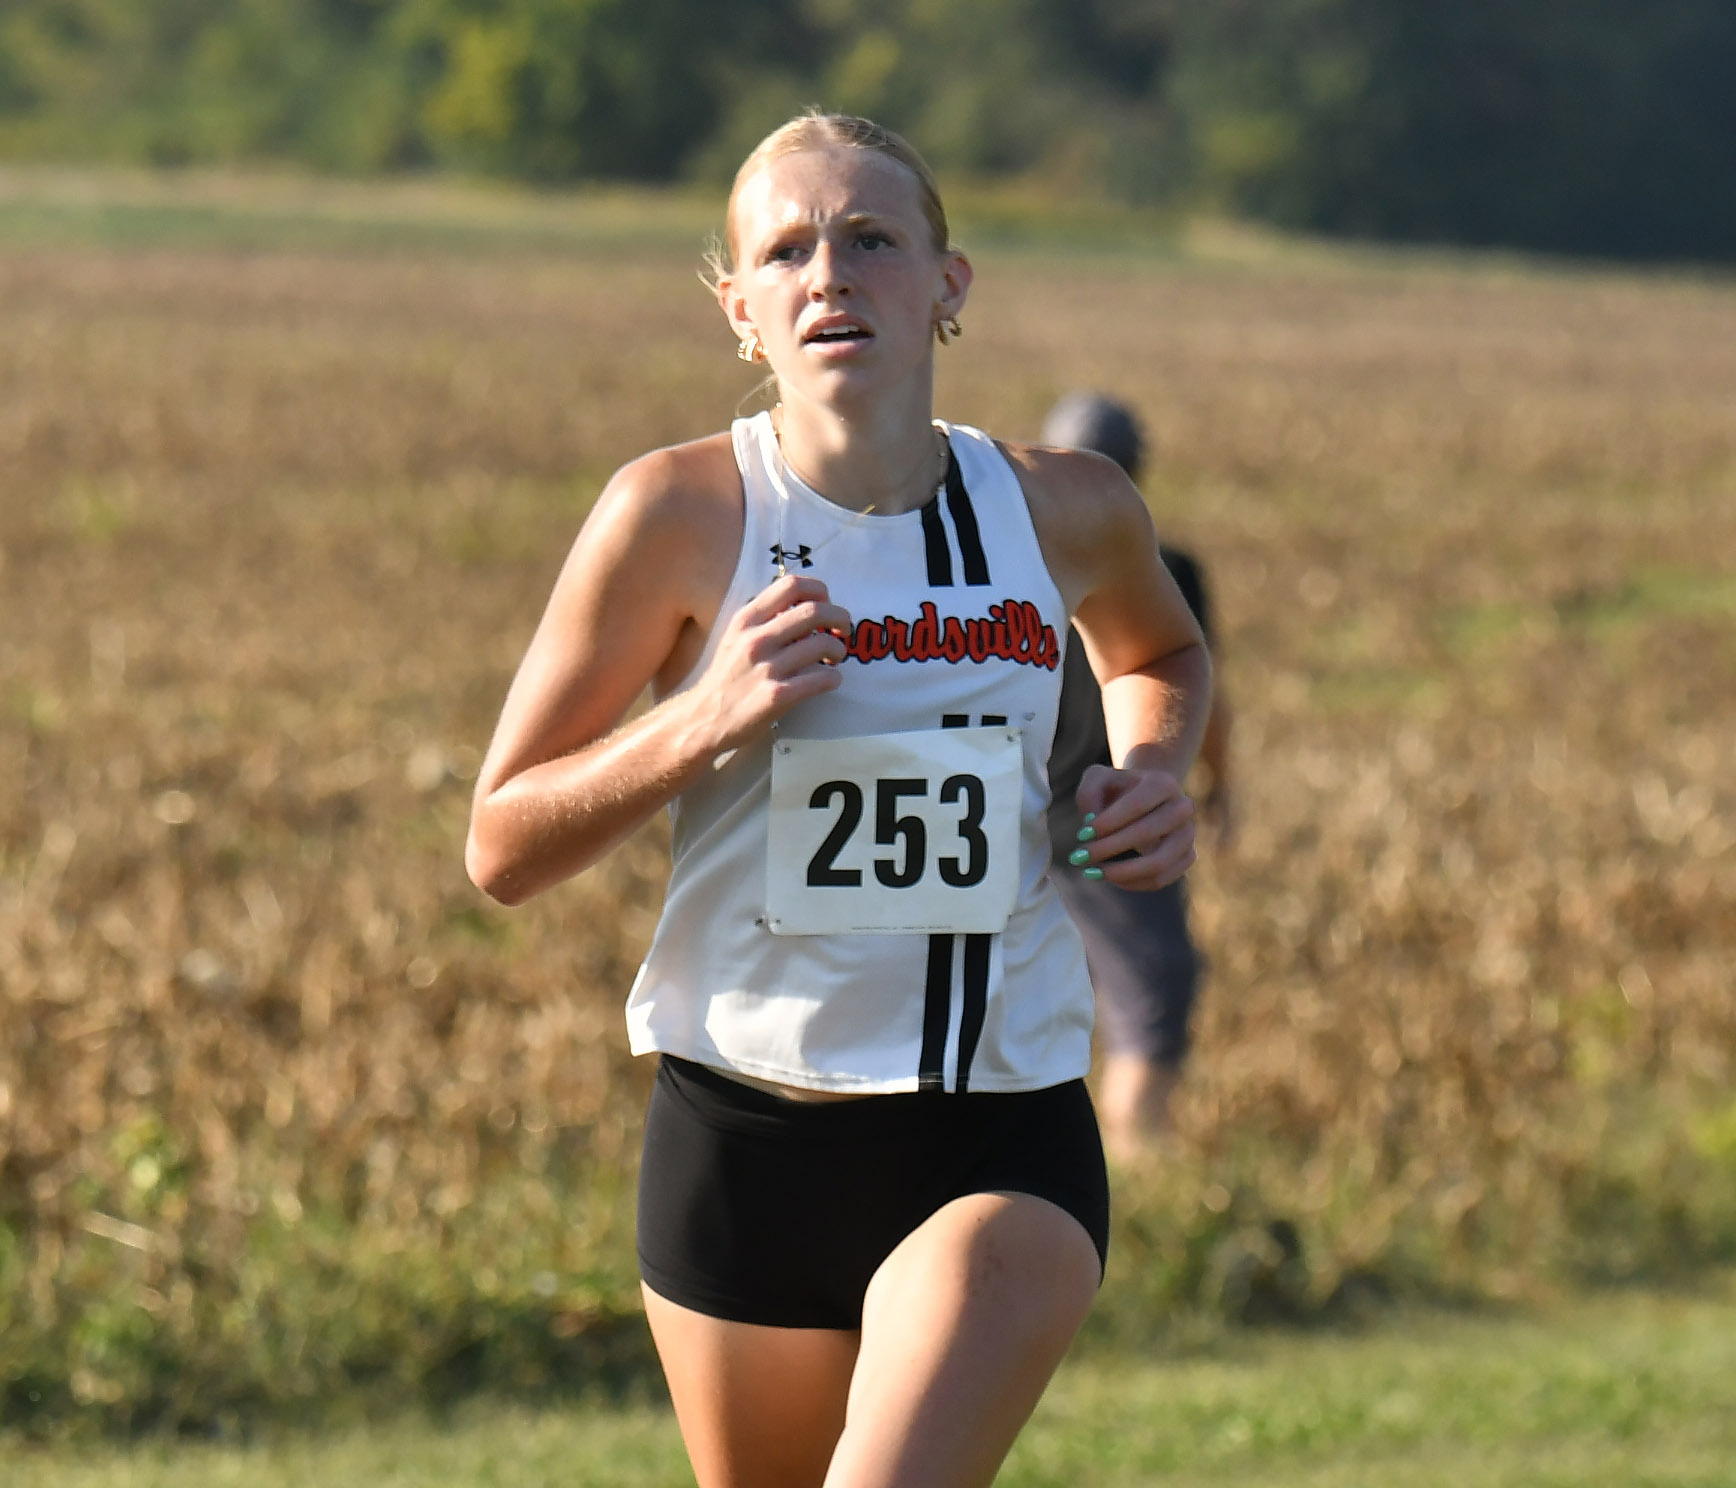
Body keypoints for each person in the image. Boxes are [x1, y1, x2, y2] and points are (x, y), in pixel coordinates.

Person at [466, 113, 1210, 1488]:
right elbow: (502, 841)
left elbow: (1157, 651)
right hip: (742, 1136)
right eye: (786, 250)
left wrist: (1154, 771)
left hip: (997, 1125)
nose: (829, 274)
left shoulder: (1066, 507)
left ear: (947, 283)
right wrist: (701, 719)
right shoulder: (673, 515)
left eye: (871, 239)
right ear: (739, 309)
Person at [1041, 393, 1233, 1163]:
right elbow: (1202, 690)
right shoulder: (1167, 571)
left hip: (1014, 825)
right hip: (1113, 828)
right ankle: (1137, 1172)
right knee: (1152, 1003)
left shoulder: (1008, 569)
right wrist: (1219, 786)